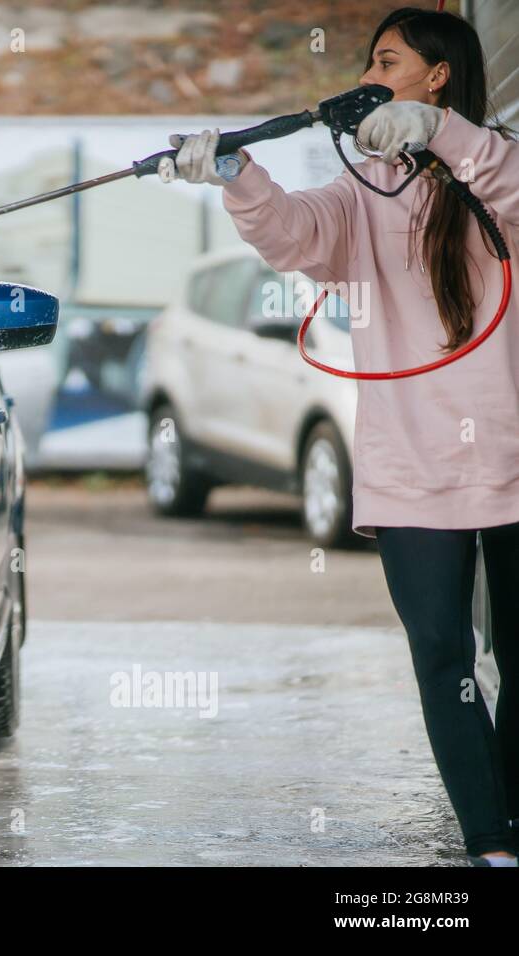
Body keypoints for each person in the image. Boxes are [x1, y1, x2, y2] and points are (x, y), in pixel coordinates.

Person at [160, 6, 519, 866]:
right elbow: (295, 235)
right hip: (411, 463)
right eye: (367, 61)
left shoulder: (496, 163)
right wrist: (240, 174)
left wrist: (443, 133)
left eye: (388, 61)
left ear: (438, 76)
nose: (370, 73)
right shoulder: (363, 194)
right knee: (442, 652)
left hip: (511, 454)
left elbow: (505, 185)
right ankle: (492, 842)